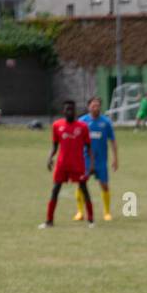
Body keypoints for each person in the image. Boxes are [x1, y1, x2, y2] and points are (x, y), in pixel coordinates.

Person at [39, 99, 93, 228]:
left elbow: (89, 148)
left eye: (71, 109)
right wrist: (49, 158)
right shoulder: (57, 125)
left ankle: (91, 220)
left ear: (75, 111)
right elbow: (54, 146)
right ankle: (49, 220)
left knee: (84, 189)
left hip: (77, 165)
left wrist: (91, 165)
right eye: (67, 109)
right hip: (62, 165)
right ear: (63, 111)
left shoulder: (82, 127)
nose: (69, 111)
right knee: (55, 190)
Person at [76, 95, 118, 222]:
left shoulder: (106, 122)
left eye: (98, 105)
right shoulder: (82, 121)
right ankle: (80, 212)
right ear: (88, 107)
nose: (96, 108)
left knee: (104, 185)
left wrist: (115, 159)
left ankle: (107, 212)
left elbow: (113, 141)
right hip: (85, 159)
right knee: (81, 185)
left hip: (101, 160)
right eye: (93, 105)